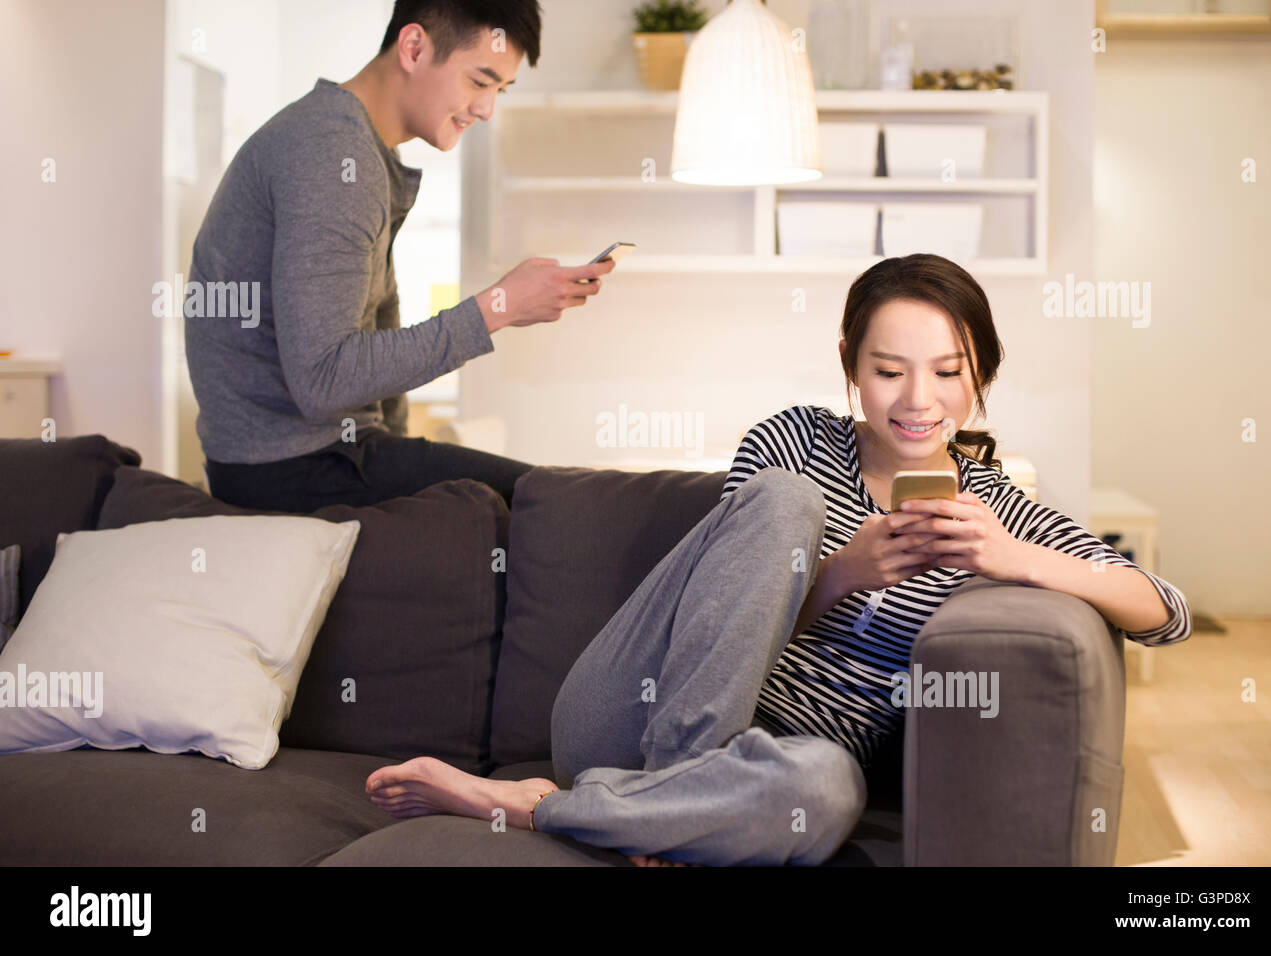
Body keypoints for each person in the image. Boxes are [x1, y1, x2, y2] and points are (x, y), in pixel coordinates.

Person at [363, 253, 1194, 866]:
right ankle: (669, 792)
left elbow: (1167, 610)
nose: (918, 399)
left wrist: (1013, 556)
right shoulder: (795, 438)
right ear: (850, 369)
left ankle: (561, 811)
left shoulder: (997, 510)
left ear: (981, 377)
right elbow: (719, 611)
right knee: (786, 500)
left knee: (827, 794)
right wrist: (842, 575)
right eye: (889, 370)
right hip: (626, 719)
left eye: (948, 372)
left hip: (779, 765)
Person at [185, 0, 611, 512]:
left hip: (308, 454)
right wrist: (498, 307)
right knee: (574, 503)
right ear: (413, 48)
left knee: (564, 496)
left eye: (500, 89)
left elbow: (371, 335)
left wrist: (402, 448)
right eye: (480, 81)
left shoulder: (353, 145)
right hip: (291, 464)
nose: (487, 109)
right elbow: (324, 380)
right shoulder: (335, 154)